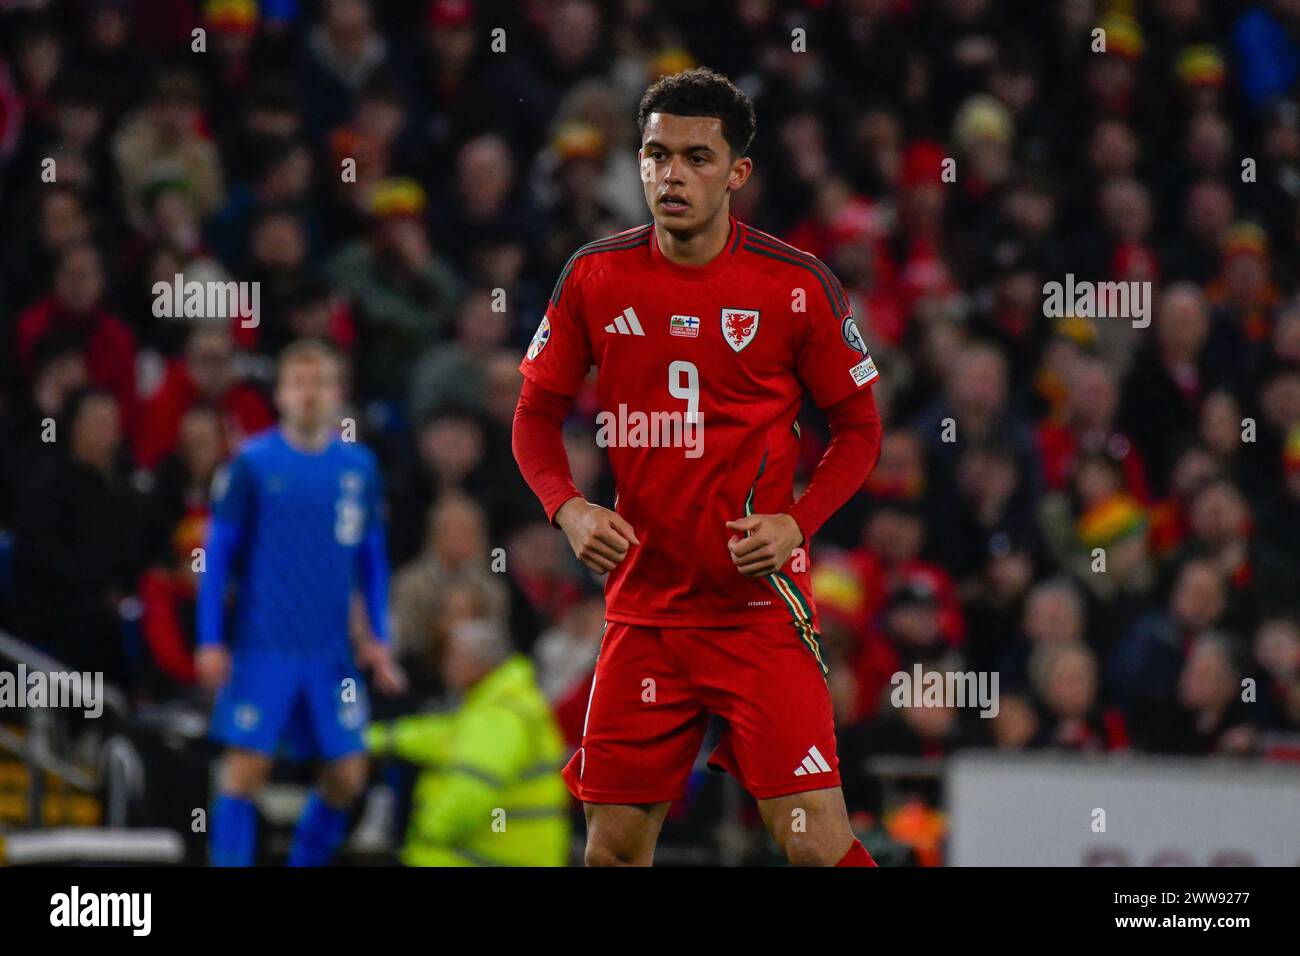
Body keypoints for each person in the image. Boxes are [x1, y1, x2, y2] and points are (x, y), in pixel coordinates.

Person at [512, 68, 884, 867]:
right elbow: (534, 416)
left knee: (815, 842)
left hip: (756, 611)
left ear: (737, 173)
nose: (670, 174)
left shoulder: (794, 286)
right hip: (645, 611)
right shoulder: (594, 275)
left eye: (694, 157)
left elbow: (858, 429)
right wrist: (568, 508)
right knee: (613, 848)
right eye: (654, 155)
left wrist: (796, 522)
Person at [197, 338, 404, 866]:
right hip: (264, 646)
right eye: (299, 384)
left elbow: (372, 561)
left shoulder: (359, 468)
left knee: (348, 775)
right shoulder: (253, 463)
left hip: (331, 653)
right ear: (281, 394)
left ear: (338, 393)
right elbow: (217, 557)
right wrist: (210, 639)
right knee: (245, 771)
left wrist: (378, 637)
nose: (310, 395)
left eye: (321, 383)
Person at [367, 618, 570, 866]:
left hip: (488, 857)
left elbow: (472, 789)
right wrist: (372, 739)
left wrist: (428, 830)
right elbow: (446, 736)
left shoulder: (499, 716)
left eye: (454, 656)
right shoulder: (502, 699)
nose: (446, 665)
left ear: (479, 664)